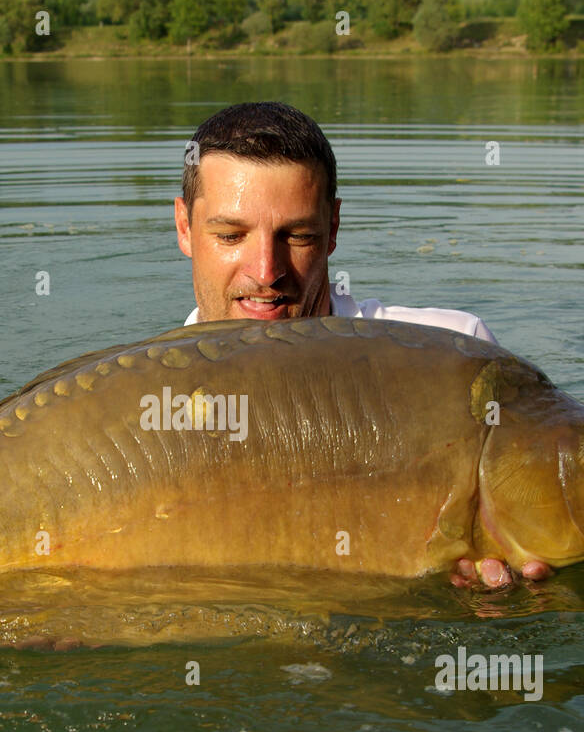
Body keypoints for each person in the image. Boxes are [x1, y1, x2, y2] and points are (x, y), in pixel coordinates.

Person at [172, 101, 551, 589]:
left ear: (333, 228)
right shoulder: (125, 412)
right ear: (184, 227)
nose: (266, 272)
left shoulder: (458, 356)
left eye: (298, 235)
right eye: (231, 235)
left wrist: (512, 597)